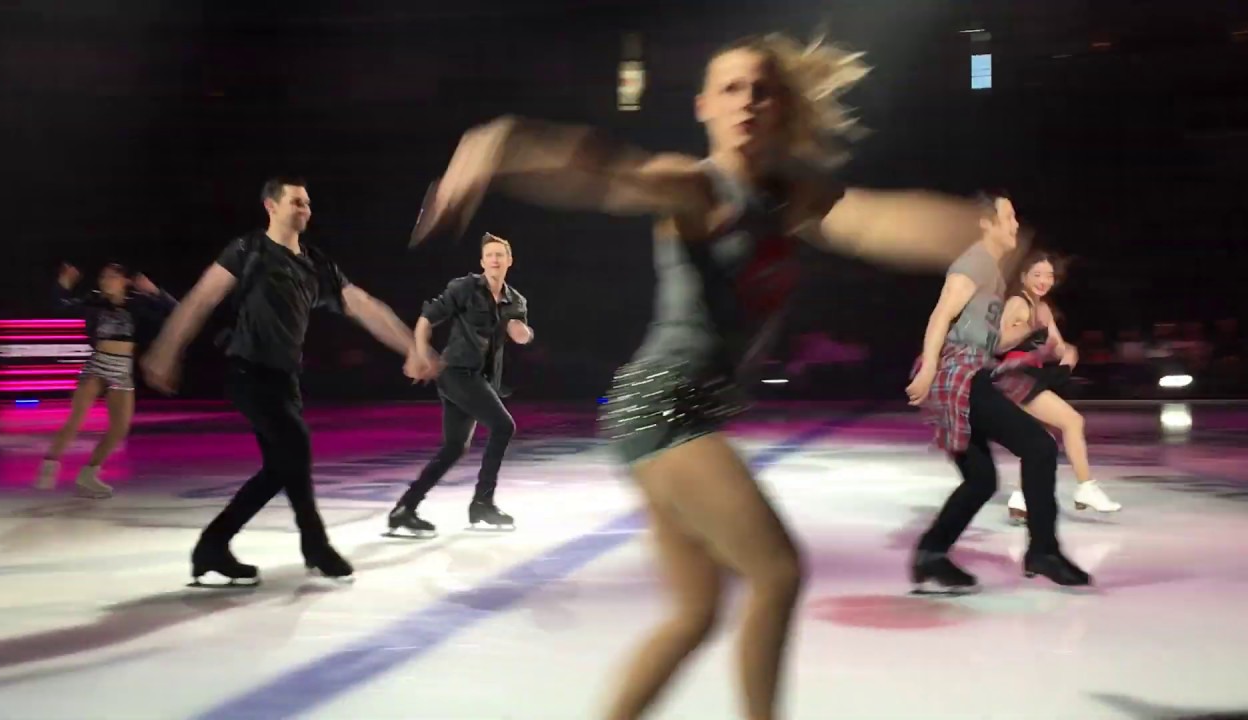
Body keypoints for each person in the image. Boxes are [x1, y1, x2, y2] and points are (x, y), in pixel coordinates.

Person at [412, 32, 1032, 720]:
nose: (748, 101)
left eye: (763, 89)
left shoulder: (792, 197)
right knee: (777, 572)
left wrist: (975, 235)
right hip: (661, 405)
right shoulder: (698, 184)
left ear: (782, 106)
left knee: (697, 613)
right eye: (732, 88)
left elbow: (874, 218)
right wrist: (504, 144)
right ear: (705, 104)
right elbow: (605, 171)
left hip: (685, 412)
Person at [142, 177, 438, 585]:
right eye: (296, 201)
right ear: (271, 206)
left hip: (285, 380)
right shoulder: (248, 250)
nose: (305, 209)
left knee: (283, 466)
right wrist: (166, 348)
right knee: (294, 449)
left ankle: (213, 545)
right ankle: (314, 546)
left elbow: (365, 306)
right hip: (247, 372)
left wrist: (413, 347)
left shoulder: (316, 264)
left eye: (308, 203)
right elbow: (202, 298)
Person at [906, 196, 1092, 594]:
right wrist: (931, 368)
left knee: (980, 480)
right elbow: (941, 314)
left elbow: (988, 337)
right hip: (960, 376)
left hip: (967, 371)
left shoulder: (989, 272)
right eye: (1007, 218)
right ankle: (1043, 551)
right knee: (1039, 448)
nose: (1014, 225)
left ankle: (931, 554)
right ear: (986, 225)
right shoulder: (974, 264)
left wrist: (1033, 339)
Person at [386, 232, 532, 538]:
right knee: (504, 426)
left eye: (499, 255)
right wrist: (420, 352)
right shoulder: (466, 287)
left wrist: (523, 333)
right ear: (482, 261)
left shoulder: (515, 300)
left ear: (509, 261)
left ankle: (405, 509)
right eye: (489, 255)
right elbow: (427, 318)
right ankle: (483, 503)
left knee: (454, 448)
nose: (494, 259)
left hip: (479, 379)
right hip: (456, 373)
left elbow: (521, 329)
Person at [36, 262, 177, 497]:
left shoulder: (137, 303)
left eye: (112, 277)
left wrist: (155, 292)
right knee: (77, 418)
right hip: (98, 364)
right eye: (103, 277)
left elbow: (175, 311)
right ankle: (50, 463)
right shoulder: (94, 301)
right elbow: (59, 307)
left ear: (125, 281)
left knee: (120, 428)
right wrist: (63, 283)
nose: (105, 281)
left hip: (122, 368)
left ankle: (88, 475)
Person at [998, 250, 1120, 523]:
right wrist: (1027, 329)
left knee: (1039, 442)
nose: (1044, 280)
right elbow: (999, 343)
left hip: (1034, 375)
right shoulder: (1018, 302)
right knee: (1073, 422)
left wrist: (1068, 354)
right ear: (1023, 277)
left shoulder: (1042, 308)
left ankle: (1020, 498)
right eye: (1037, 274)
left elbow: (1056, 346)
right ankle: (1086, 488)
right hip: (1016, 376)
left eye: (1049, 275)